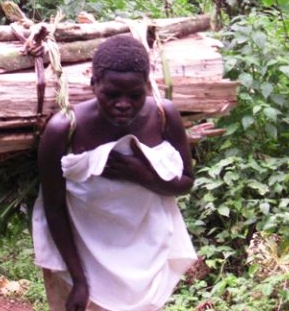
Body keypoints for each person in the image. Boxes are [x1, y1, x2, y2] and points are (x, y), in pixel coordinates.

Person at [32, 34, 197, 311]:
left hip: (146, 255)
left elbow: (186, 183)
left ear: (147, 84)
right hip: (81, 256)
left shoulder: (163, 116)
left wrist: (143, 176)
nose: (123, 104)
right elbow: (54, 208)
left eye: (134, 95)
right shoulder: (64, 129)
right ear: (93, 83)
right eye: (111, 94)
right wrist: (79, 280)